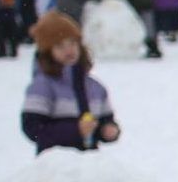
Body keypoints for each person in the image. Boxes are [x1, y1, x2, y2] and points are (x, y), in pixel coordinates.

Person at [21, 11, 119, 152]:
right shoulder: (43, 85)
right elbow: (33, 128)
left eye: (73, 43)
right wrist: (74, 130)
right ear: (48, 52)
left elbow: (105, 118)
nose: (69, 50)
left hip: (89, 159)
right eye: (60, 46)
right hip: (55, 160)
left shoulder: (95, 87)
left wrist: (107, 129)